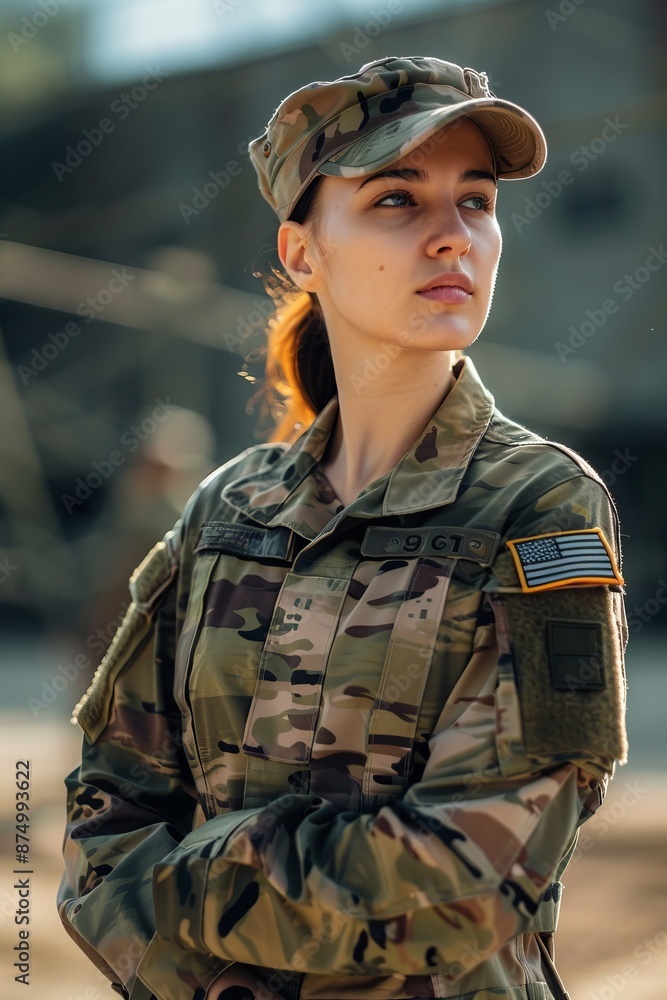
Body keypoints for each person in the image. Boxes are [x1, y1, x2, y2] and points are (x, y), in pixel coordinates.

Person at [58, 56, 628, 1000]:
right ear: (300, 252)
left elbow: (469, 885)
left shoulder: (537, 507)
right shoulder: (226, 511)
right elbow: (103, 816)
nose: (453, 237)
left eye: (476, 201)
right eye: (397, 200)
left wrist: (187, 883)